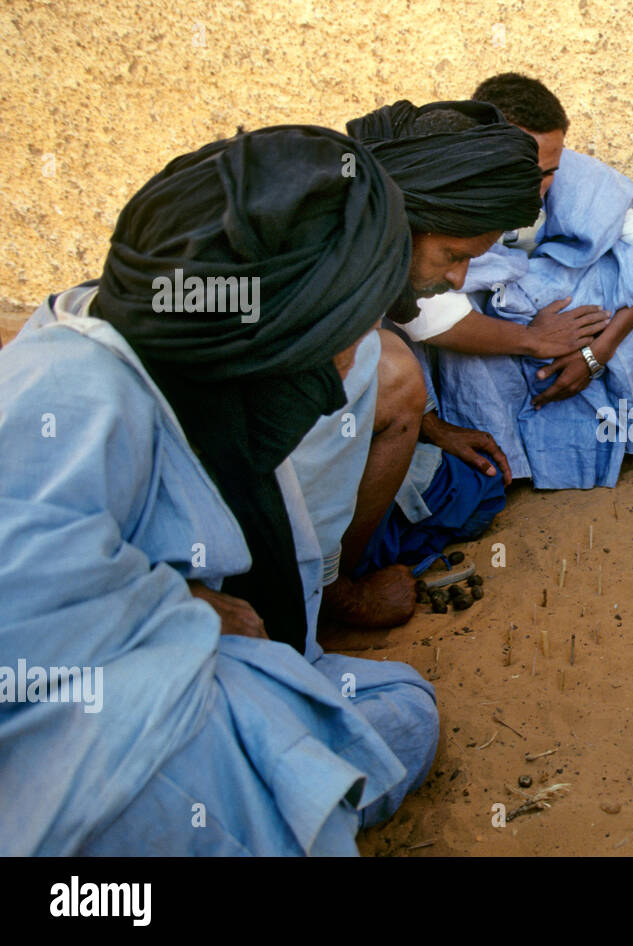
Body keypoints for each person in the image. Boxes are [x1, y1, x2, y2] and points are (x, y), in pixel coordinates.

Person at [0, 125, 437, 854]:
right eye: (344, 335)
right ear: (271, 332)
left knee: (403, 708)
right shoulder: (71, 392)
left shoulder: (185, 384)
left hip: (196, 688)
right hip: (102, 761)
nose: (350, 367)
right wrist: (188, 615)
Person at [304, 100, 558, 629]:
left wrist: (431, 427)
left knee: (476, 487)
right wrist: (343, 596)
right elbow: (295, 474)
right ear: (405, 224)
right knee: (397, 372)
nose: (461, 280)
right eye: (452, 256)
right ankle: (327, 594)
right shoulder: (327, 303)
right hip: (249, 517)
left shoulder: (352, 233)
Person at [419, 73, 633, 489]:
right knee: (467, 295)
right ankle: (500, 455)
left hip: (560, 333)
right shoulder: (442, 193)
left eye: (548, 171)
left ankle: (586, 446)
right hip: (489, 330)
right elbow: (424, 314)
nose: (539, 187)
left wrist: (597, 352)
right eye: (526, 170)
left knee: (614, 270)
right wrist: (535, 339)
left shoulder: (571, 178)